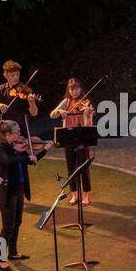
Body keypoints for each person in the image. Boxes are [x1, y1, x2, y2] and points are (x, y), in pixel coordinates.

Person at [0, 118, 53, 271]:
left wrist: (45, 149)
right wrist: (26, 157)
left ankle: (12, 252)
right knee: (7, 226)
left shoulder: (16, 147)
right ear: (7, 134)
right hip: (7, 191)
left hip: (19, 189)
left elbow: (31, 160)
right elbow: (8, 161)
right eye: (17, 132)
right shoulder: (1, 148)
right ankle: (0, 259)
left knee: (17, 222)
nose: (20, 135)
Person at [49, 77, 96, 205]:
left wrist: (87, 113)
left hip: (81, 138)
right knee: (71, 168)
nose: (74, 92)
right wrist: (59, 111)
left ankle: (85, 196)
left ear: (80, 89)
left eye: (76, 89)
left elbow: (89, 122)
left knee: (83, 168)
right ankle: (74, 195)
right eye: (71, 89)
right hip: (68, 138)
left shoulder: (86, 102)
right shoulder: (66, 101)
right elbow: (52, 114)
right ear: (68, 91)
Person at [0, 59, 40, 132]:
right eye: (13, 75)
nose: (16, 77)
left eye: (17, 74)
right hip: (6, 130)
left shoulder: (25, 90)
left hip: (20, 130)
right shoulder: (2, 88)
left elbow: (34, 113)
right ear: (5, 75)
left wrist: (31, 102)